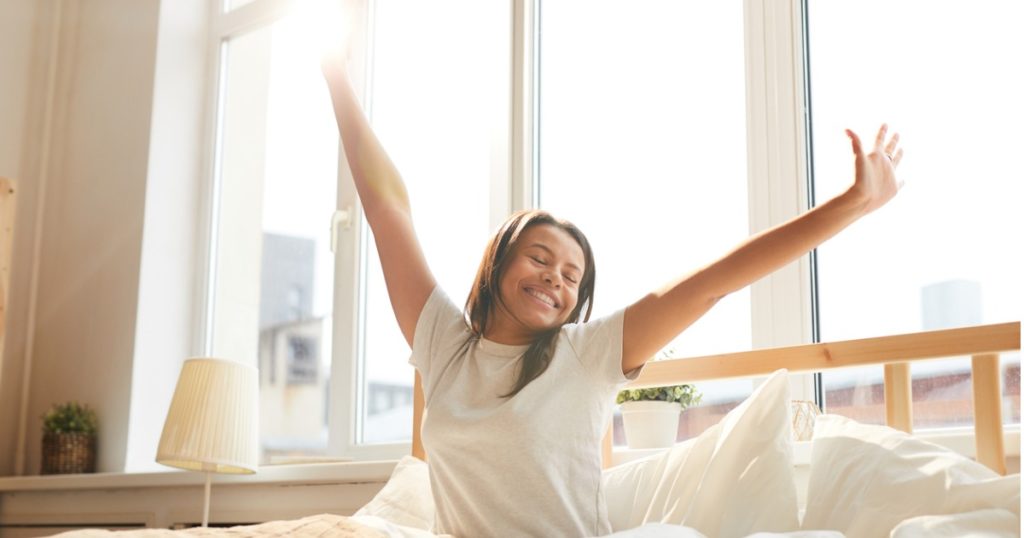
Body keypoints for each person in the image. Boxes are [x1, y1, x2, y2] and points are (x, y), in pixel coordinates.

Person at [321, 54, 903, 538]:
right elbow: (386, 208)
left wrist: (849, 205)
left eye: (573, 277)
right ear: (498, 263)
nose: (556, 278)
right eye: (541, 258)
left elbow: (712, 285)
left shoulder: (587, 353)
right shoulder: (443, 345)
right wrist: (337, 77)